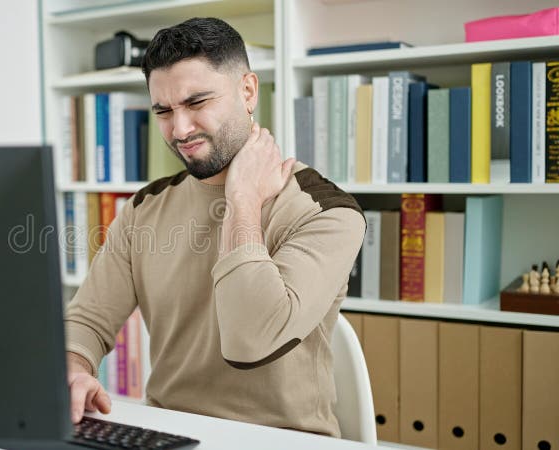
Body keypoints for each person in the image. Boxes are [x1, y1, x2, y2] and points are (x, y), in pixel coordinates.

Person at [63, 17, 365, 438]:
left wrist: (242, 200)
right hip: (168, 434)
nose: (179, 129)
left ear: (248, 91)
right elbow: (87, 321)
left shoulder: (328, 211)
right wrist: (74, 370)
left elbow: (250, 342)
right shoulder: (142, 209)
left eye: (197, 102)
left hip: (283, 440)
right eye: (164, 111)